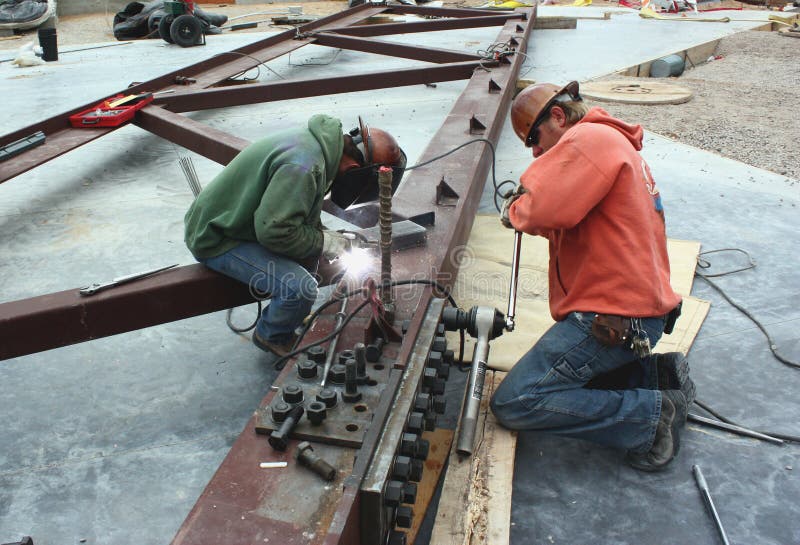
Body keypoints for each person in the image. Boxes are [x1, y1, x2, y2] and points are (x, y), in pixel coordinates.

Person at [490, 81, 695, 471]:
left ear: (558, 116)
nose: (535, 151)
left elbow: (545, 208)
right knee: (565, 378)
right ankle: (653, 375)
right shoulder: (610, 143)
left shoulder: (589, 139)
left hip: (614, 318)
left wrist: (517, 209)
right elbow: (572, 220)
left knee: (517, 401)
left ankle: (650, 416)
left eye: (535, 138)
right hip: (633, 310)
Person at [184, 114, 406, 357]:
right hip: (218, 236)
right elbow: (274, 232)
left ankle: (288, 316)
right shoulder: (304, 165)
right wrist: (326, 242)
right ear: (354, 168)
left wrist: (325, 238)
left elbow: (295, 214)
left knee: (310, 257)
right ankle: (272, 335)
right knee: (300, 289)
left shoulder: (319, 147)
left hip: (240, 220)